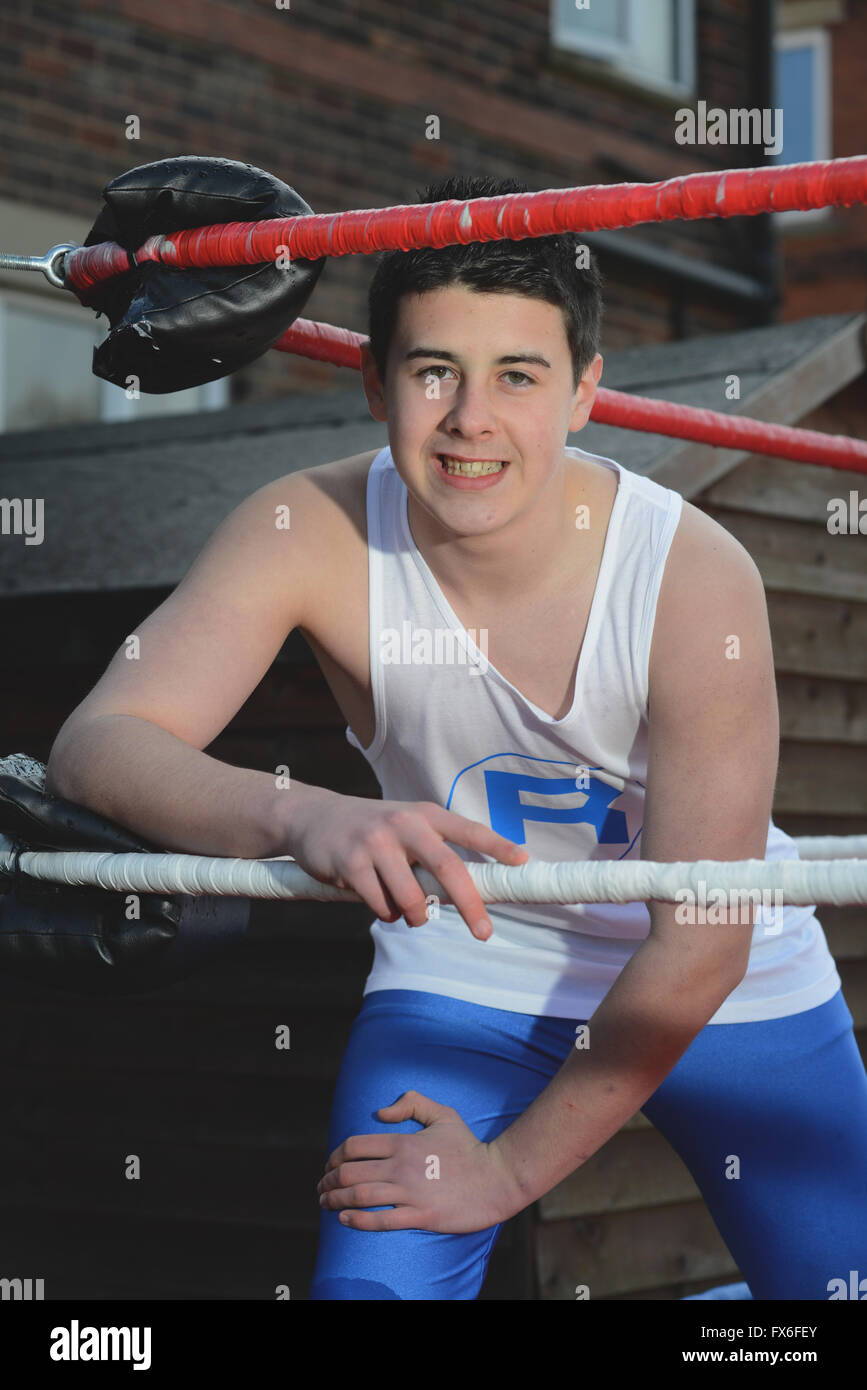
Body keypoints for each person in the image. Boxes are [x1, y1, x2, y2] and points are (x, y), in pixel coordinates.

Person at [46, 174, 867, 1302]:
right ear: (377, 383)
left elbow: (702, 943)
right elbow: (101, 740)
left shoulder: (693, 571)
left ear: (585, 393)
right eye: (436, 372)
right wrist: (304, 812)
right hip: (469, 965)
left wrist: (502, 1173)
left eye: (518, 377)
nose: (472, 420)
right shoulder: (308, 529)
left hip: (723, 977)